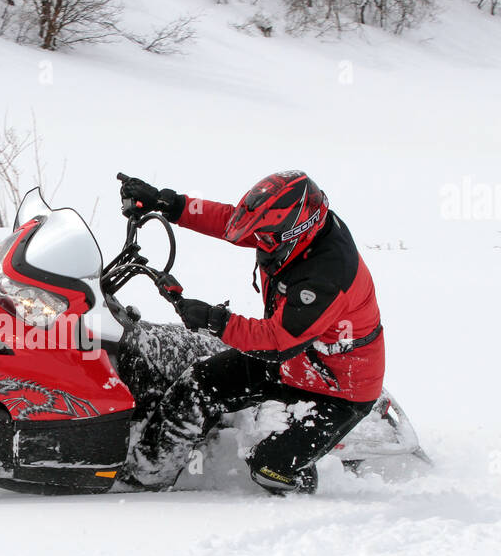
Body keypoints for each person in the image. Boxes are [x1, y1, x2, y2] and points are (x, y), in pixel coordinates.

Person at [118, 171, 385, 494]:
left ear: (296, 231)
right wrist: (170, 204)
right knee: (197, 383)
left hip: (337, 388)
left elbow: (275, 342)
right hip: (297, 357)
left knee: (269, 468)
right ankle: (148, 473)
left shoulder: (326, 277)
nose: (261, 241)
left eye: (268, 237)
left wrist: (216, 320)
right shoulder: (295, 232)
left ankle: (315, 480)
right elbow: (233, 223)